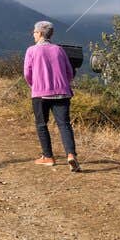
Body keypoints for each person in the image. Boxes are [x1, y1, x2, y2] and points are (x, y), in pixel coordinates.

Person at [24, 20, 79, 172]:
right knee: (64, 124)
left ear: (40, 33)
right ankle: (71, 155)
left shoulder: (31, 51)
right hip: (62, 92)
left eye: (34, 32)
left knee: (42, 124)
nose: (33, 35)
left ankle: (48, 157)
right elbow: (69, 72)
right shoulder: (59, 50)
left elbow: (27, 73)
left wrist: (34, 85)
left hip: (40, 93)